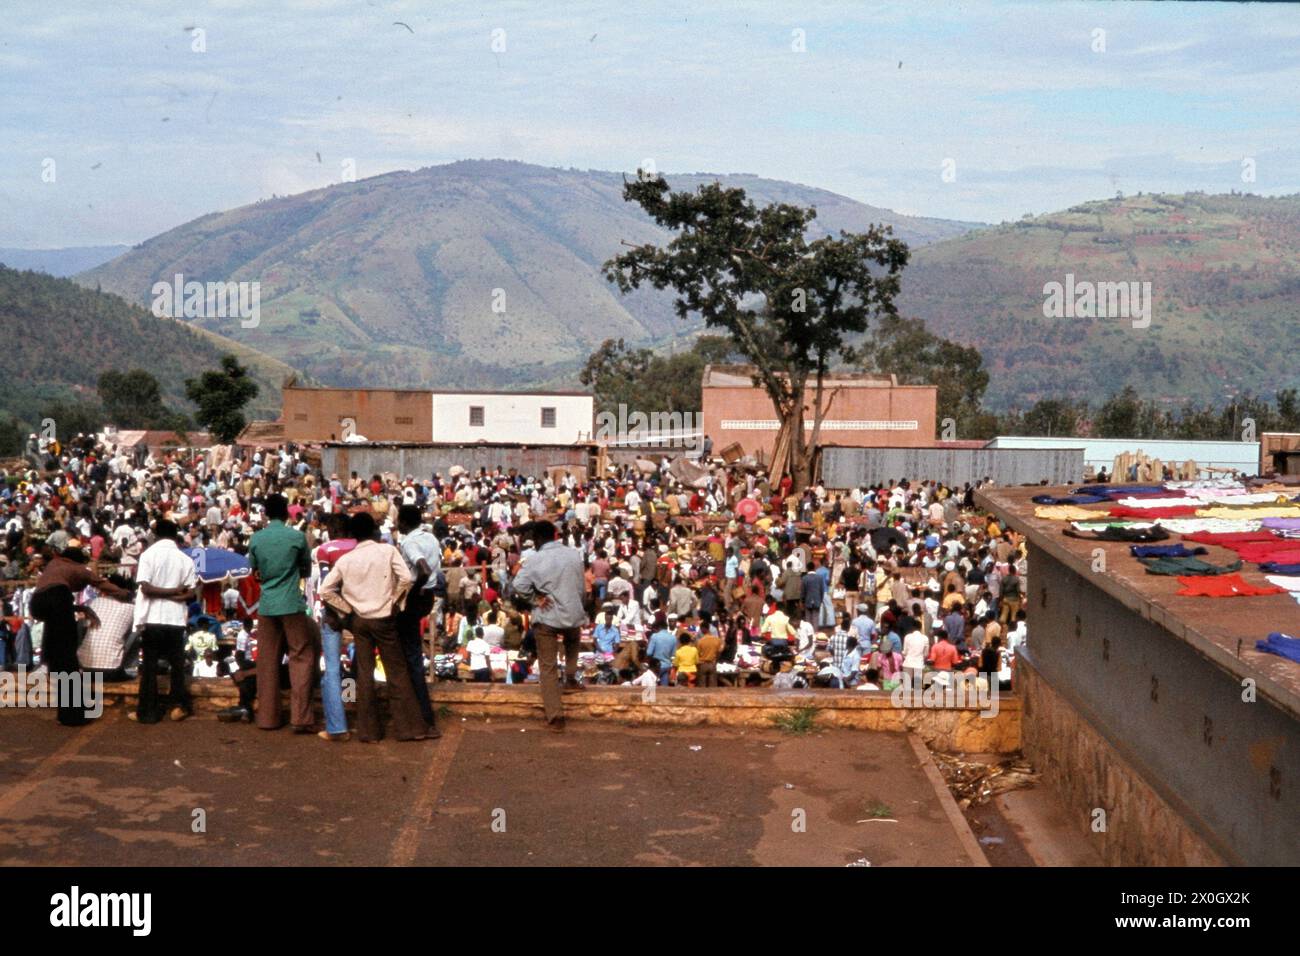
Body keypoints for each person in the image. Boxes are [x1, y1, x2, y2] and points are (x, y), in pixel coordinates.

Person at [320, 511, 434, 743]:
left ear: (352, 534)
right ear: (374, 529)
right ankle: (409, 729)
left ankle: (369, 731)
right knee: (397, 671)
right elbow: (405, 578)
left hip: (359, 620)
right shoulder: (387, 550)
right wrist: (395, 602)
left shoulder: (346, 560)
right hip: (384, 618)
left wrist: (346, 611)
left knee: (363, 674)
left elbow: (325, 591)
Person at [31, 545, 128, 726]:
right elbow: (101, 584)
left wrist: (77, 607)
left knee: (57, 655)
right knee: (68, 659)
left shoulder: (53, 565)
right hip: (58, 600)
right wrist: (124, 593)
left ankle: (64, 711)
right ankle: (73, 715)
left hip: (37, 604)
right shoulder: (78, 569)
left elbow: (52, 599)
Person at [247, 493, 317, 733]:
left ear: (265, 513)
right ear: (287, 512)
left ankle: (267, 717)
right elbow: (306, 569)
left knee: (267, 661)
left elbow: (255, 571)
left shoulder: (256, 539)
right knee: (301, 656)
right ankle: (301, 717)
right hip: (292, 603)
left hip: (267, 605)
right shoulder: (297, 537)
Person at [509, 519, 588, 732]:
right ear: (555, 535)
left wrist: (535, 599)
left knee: (547, 666)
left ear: (535, 540)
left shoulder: (533, 559)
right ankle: (571, 677)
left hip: (547, 615)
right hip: (572, 612)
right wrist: (577, 604)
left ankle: (555, 716)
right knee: (573, 640)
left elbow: (518, 585)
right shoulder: (574, 554)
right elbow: (581, 587)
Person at [131, 520, 199, 724]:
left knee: (150, 666)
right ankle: (178, 706)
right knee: (177, 665)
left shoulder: (148, 555)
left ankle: (148, 712)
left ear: (156, 534)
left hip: (153, 617)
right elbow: (190, 593)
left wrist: (168, 593)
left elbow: (146, 588)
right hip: (176, 618)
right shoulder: (184, 559)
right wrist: (174, 593)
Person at [396, 504, 440, 729]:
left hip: (414, 597)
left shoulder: (409, 542)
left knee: (410, 656)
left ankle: (423, 716)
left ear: (404, 522)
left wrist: (411, 593)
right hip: (427, 597)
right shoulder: (431, 538)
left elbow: (423, 569)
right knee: (410, 653)